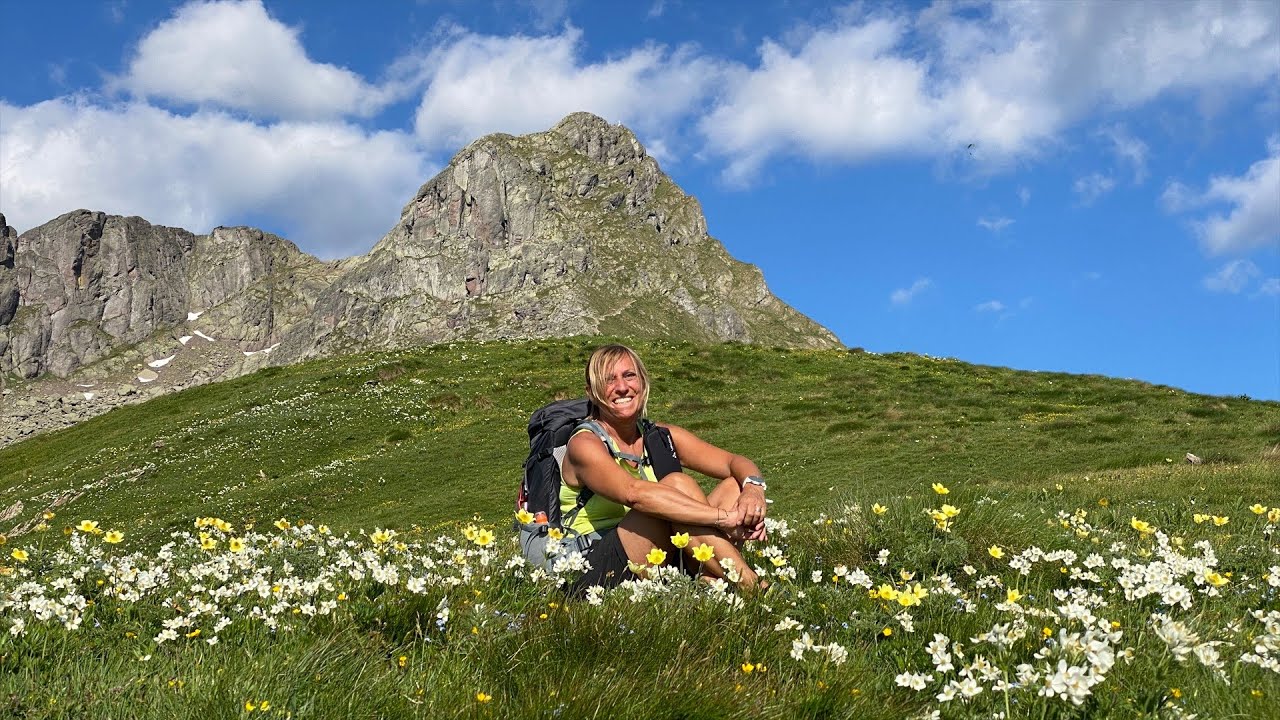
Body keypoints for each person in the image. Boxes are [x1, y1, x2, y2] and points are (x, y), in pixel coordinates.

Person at [560, 344, 768, 591]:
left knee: (737, 484)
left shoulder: (659, 436)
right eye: (609, 380)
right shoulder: (584, 444)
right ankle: (751, 586)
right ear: (592, 392)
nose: (622, 387)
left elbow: (735, 462)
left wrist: (753, 492)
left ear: (643, 382)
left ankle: (709, 579)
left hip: (659, 553)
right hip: (596, 566)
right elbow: (634, 494)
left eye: (629, 375)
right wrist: (725, 519)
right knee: (677, 485)